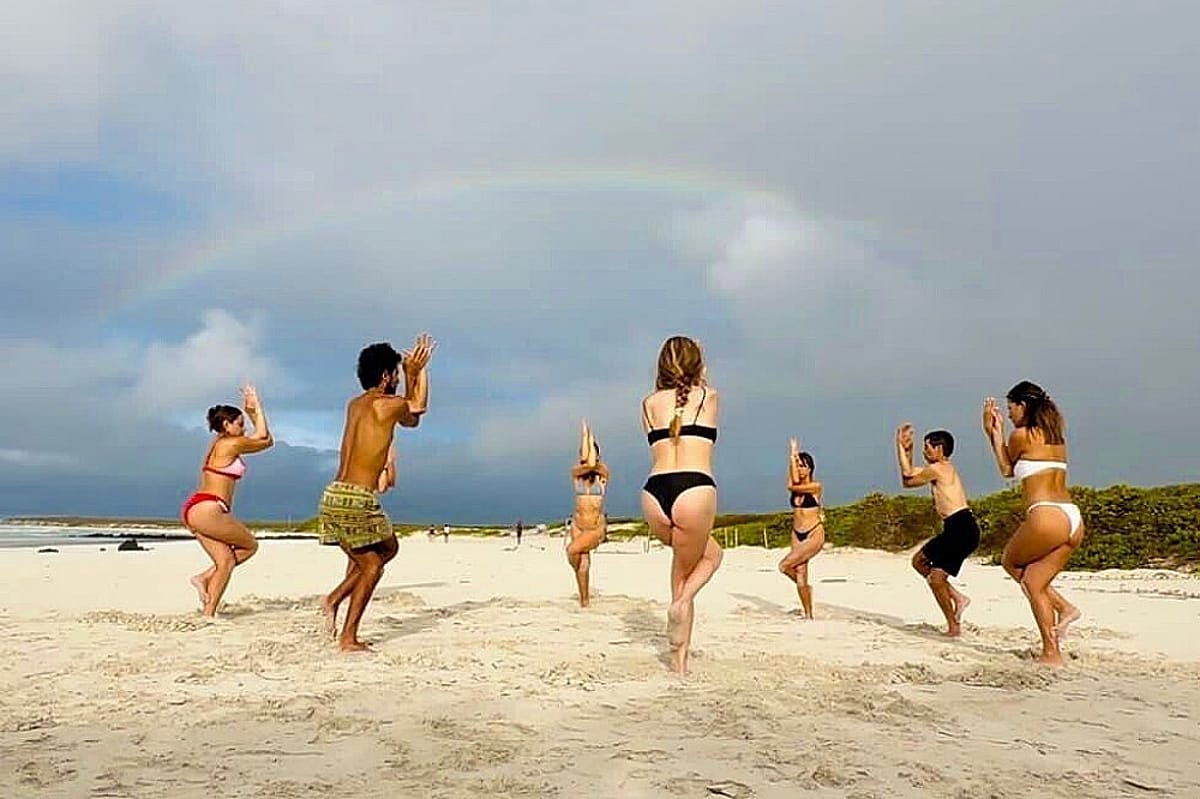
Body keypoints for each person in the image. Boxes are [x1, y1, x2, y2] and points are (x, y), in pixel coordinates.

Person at [317, 335, 435, 652]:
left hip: (334, 494)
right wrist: (419, 371)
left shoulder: (355, 404)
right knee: (372, 566)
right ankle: (347, 635)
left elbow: (411, 420)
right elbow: (419, 406)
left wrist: (410, 374)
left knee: (387, 549)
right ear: (385, 376)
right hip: (357, 497)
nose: (397, 379)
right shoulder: (387, 404)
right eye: (395, 373)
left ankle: (334, 600)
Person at [984, 382, 1083, 666]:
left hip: (1046, 515)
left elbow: (1005, 470)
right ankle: (1055, 640)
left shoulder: (1021, 435)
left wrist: (993, 432)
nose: (1010, 413)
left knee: (1011, 563)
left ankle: (1056, 637)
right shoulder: (1056, 437)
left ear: (1023, 406)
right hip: (1073, 517)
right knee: (1034, 581)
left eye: (1010, 408)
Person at [640, 335, 723, 675]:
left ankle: (679, 621)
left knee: (709, 554)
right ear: (696, 364)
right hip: (694, 487)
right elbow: (702, 385)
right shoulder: (709, 397)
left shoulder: (647, 403)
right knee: (686, 577)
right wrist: (702, 356)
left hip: (654, 491)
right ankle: (680, 659)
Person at [181, 385, 273, 617]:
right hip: (209, 509)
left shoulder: (217, 444)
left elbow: (263, 439)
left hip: (196, 508)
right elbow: (266, 439)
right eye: (240, 424)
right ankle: (204, 578)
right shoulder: (231, 444)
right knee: (250, 545)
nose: (243, 430)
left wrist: (251, 414)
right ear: (226, 426)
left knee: (225, 561)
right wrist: (257, 408)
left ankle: (208, 612)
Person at [896, 424, 979, 637]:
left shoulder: (940, 468)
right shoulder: (936, 471)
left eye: (927, 448)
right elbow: (908, 482)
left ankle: (953, 626)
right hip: (954, 528)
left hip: (961, 527)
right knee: (919, 562)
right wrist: (908, 451)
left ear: (940, 449)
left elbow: (907, 471)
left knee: (936, 579)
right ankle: (958, 598)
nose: (925, 452)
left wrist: (900, 447)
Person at [777, 437, 824, 619]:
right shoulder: (797, 482)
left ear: (810, 468)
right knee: (800, 574)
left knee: (784, 565)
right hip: (797, 534)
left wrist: (795, 456)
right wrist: (793, 455)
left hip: (814, 534)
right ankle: (808, 613)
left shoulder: (815, 487)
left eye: (804, 465)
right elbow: (793, 480)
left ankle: (806, 589)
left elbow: (791, 486)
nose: (801, 469)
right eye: (799, 466)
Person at [567, 419, 609, 607]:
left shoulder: (603, 474)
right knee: (582, 564)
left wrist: (588, 437)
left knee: (572, 551)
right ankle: (585, 602)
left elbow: (593, 465)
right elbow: (586, 465)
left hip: (595, 529)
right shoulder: (576, 474)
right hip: (577, 527)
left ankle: (584, 599)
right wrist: (586, 439)